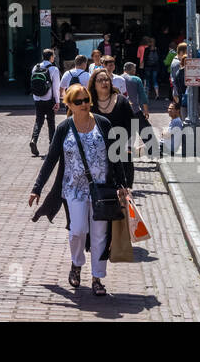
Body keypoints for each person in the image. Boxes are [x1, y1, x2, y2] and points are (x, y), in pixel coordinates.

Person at [29, 83, 131, 295]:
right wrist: (37, 187)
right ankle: (77, 263)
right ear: (70, 105)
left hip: (103, 189)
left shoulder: (103, 124)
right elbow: (51, 159)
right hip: (73, 189)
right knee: (77, 231)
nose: (84, 104)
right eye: (79, 101)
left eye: (86, 100)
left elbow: (115, 156)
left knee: (100, 234)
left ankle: (97, 278)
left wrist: (122, 185)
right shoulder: (64, 128)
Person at [89, 69, 137, 189]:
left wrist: (129, 146)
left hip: (122, 154)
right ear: (94, 84)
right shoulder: (90, 105)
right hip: (99, 156)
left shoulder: (121, 101)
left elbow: (133, 124)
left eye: (106, 79)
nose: (104, 82)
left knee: (123, 195)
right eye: (100, 80)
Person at [29, 49, 62, 156]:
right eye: (53, 56)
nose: (54, 57)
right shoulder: (54, 69)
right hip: (49, 99)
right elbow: (56, 87)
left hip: (37, 98)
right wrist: (57, 101)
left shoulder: (35, 67)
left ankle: (34, 140)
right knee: (51, 122)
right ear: (51, 57)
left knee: (38, 120)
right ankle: (52, 146)